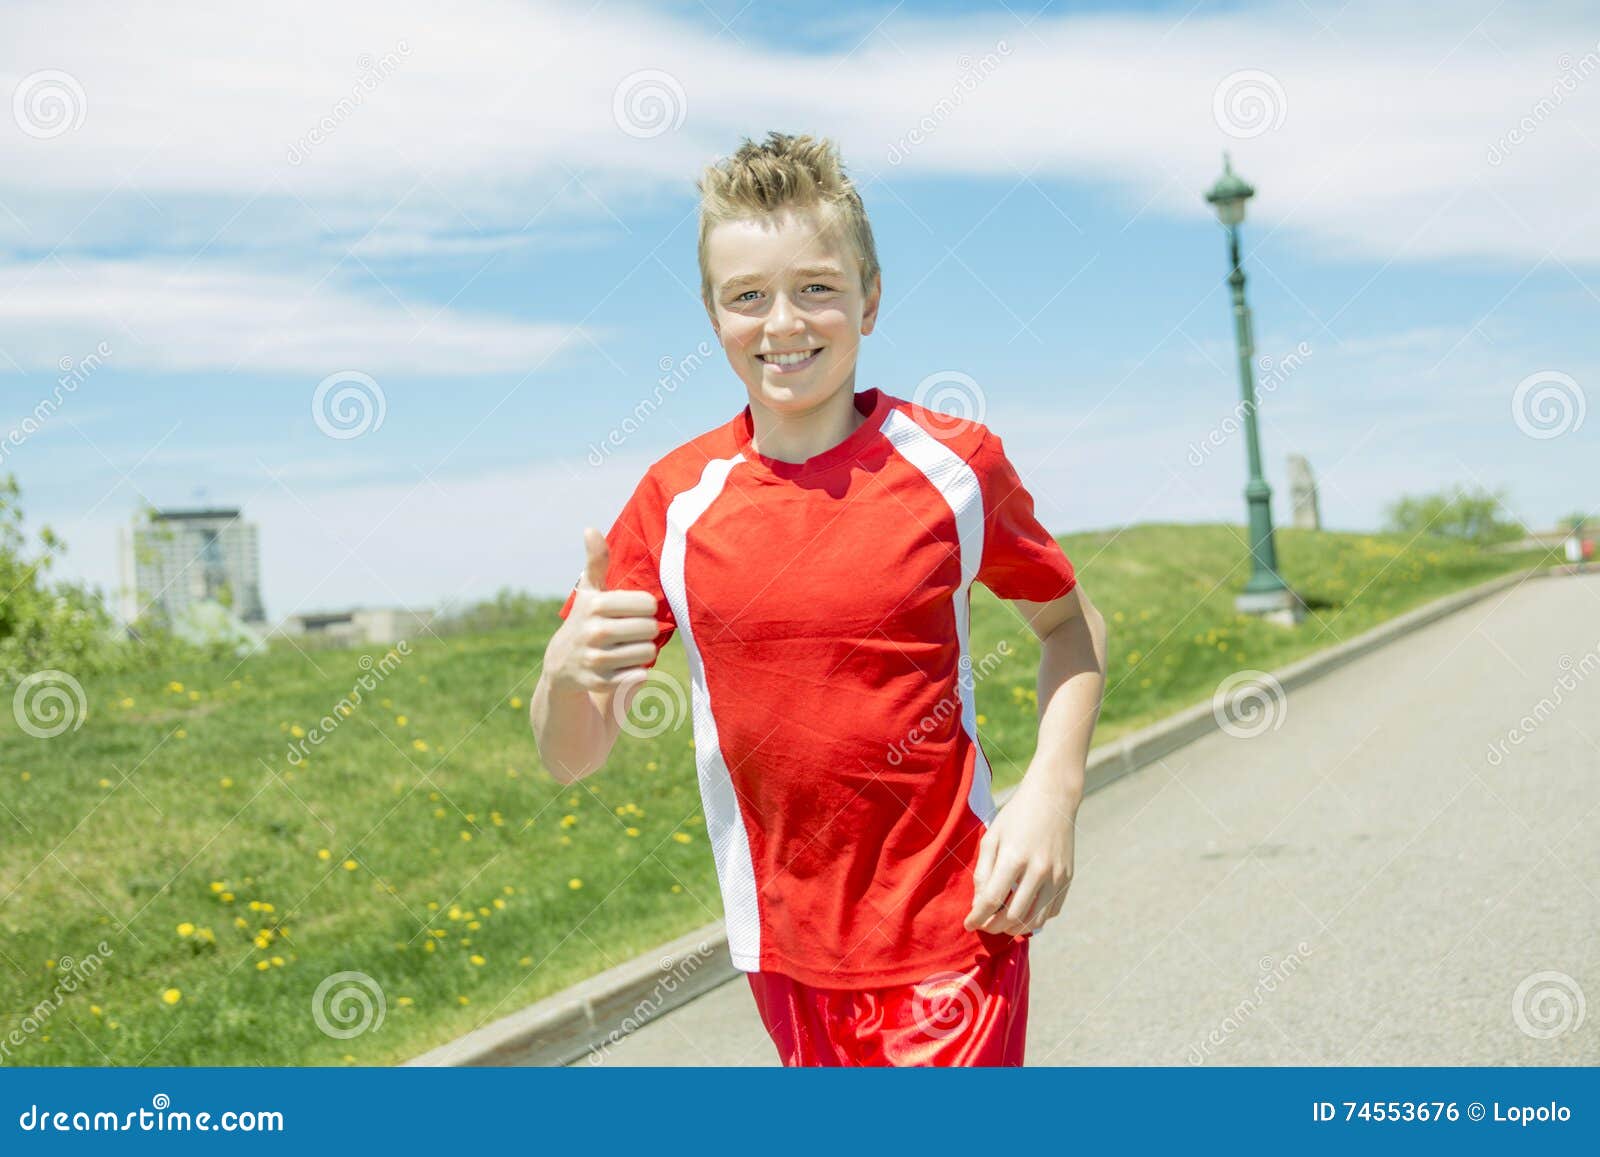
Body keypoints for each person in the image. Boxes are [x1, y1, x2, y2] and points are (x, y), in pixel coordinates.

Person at [531, 131, 1107, 1067]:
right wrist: (563, 673)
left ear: (869, 299)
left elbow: (1070, 626)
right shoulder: (675, 500)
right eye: (748, 296)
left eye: (817, 288)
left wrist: (1053, 792)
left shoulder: (956, 466)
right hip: (779, 947)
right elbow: (572, 755)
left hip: (954, 926)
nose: (784, 322)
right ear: (714, 316)